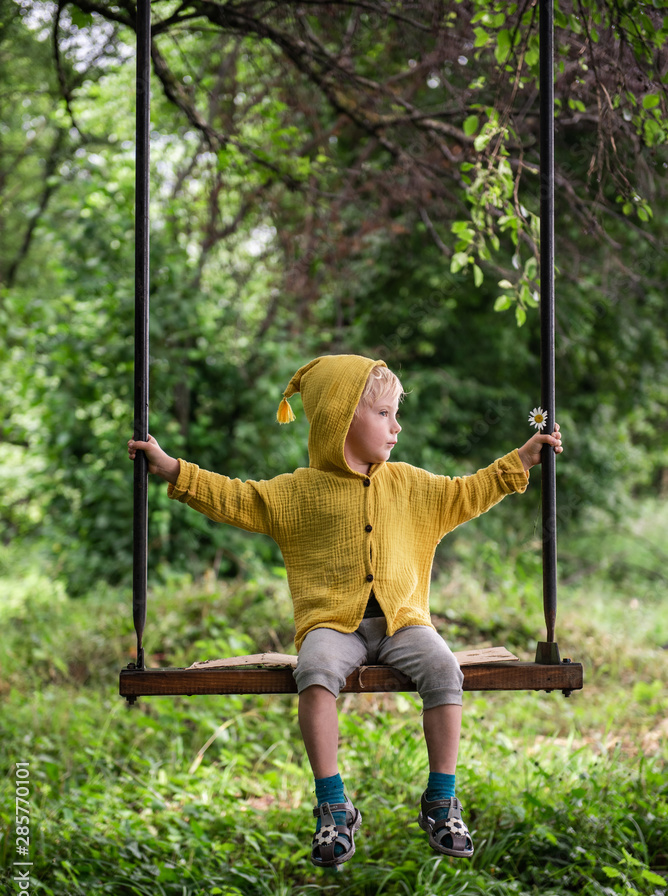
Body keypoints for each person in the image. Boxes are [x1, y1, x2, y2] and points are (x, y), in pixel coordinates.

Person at [128, 354, 563, 867]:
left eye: (396, 414)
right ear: (340, 418)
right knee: (313, 672)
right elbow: (234, 497)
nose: (396, 427)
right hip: (334, 625)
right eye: (383, 413)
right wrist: (172, 468)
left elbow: (468, 491)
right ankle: (333, 803)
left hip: (404, 622)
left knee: (445, 668)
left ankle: (441, 797)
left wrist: (522, 460)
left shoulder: (410, 485)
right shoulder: (299, 492)